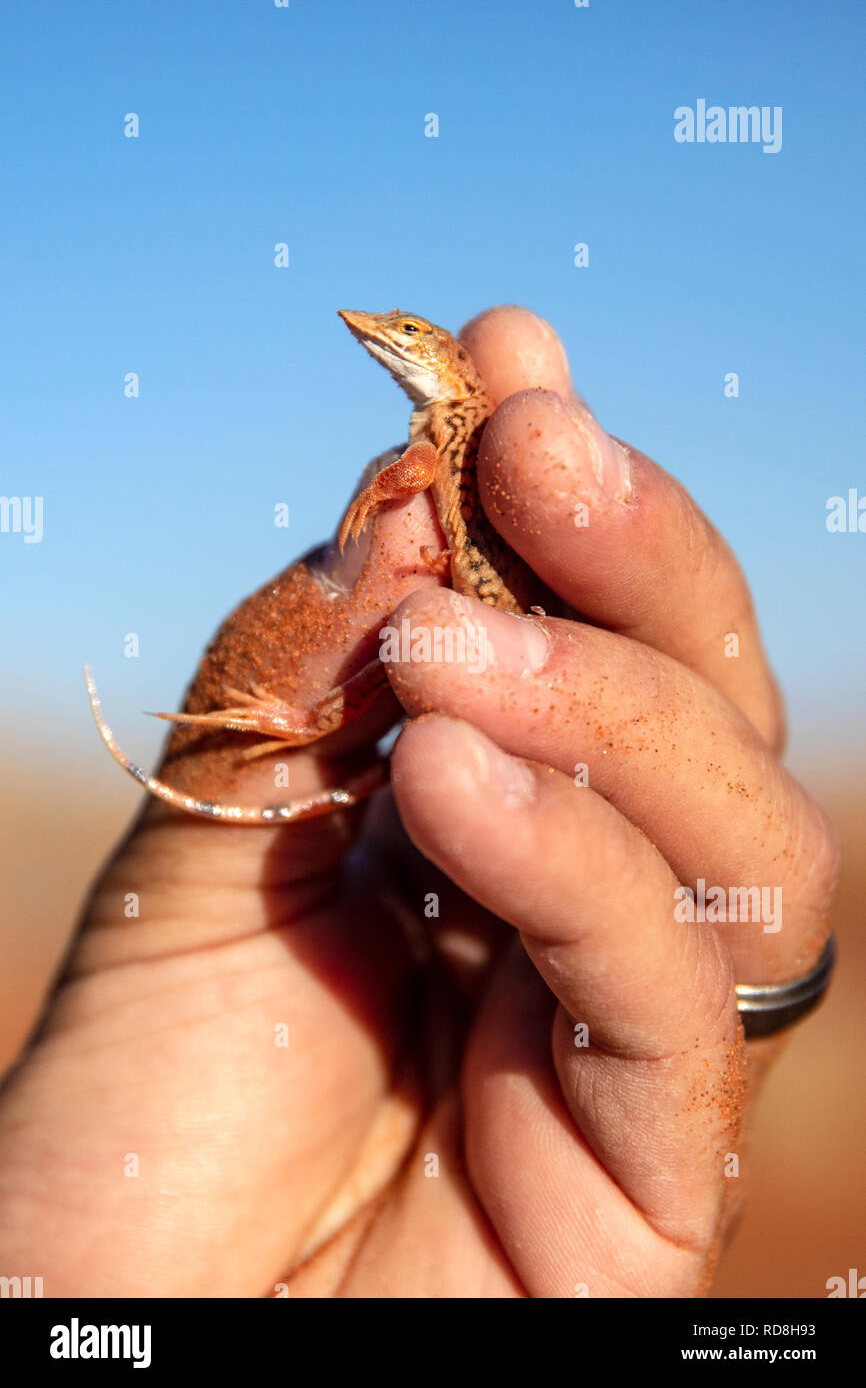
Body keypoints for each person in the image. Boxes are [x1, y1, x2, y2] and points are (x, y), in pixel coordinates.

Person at [0, 307, 838, 1297]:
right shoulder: (451, 442)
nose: (375, 333)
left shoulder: (443, 439)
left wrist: (744, 982)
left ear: (441, 359)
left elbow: (408, 485)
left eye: (402, 330)